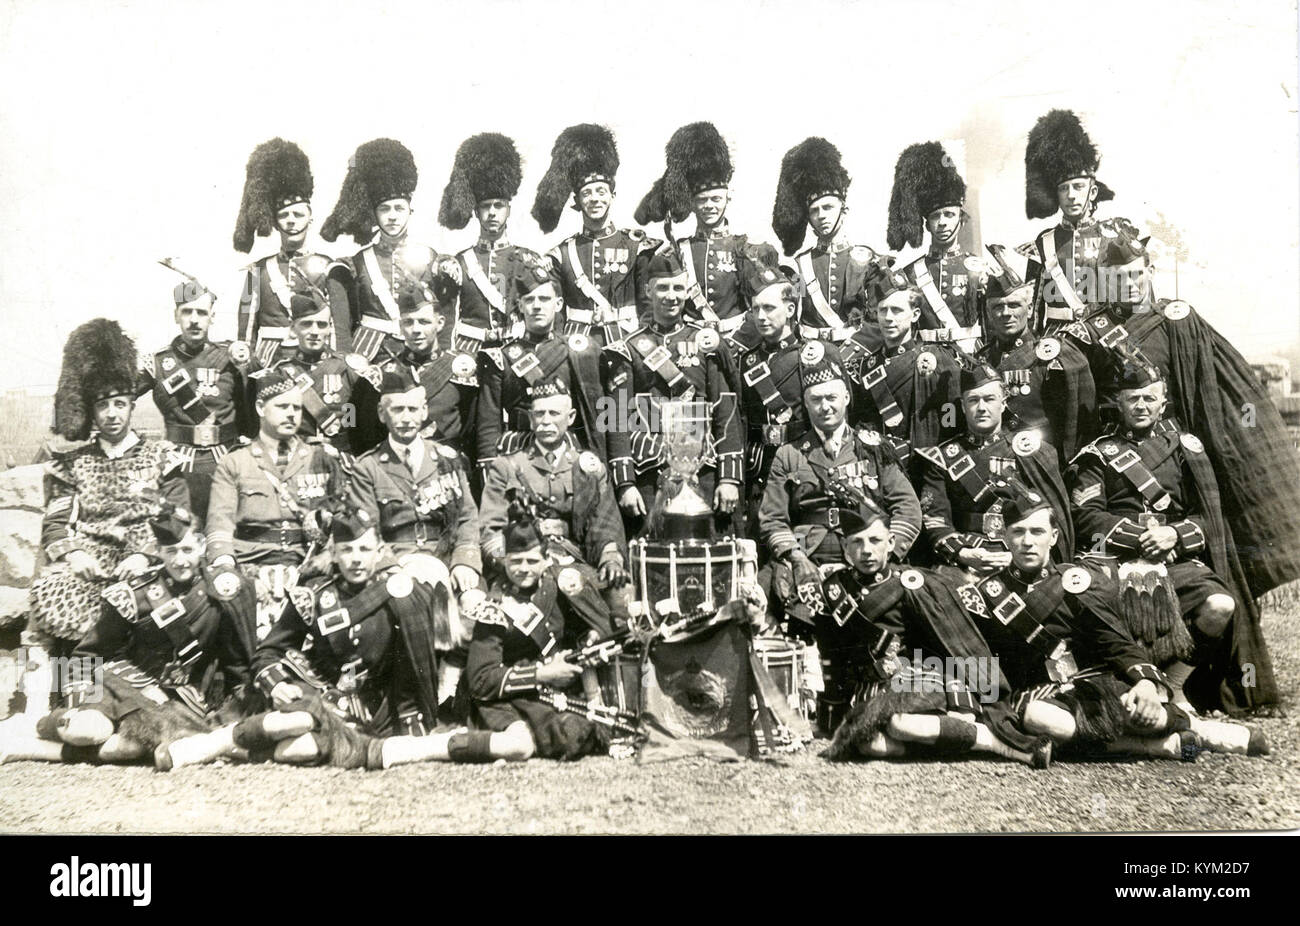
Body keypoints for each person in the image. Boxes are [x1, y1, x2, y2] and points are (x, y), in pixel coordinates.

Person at [1063, 228, 1300, 640]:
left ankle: (1203, 670)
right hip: (1117, 458)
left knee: (1201, 552)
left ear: (1150, 270)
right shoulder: (1088, 332)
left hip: (1178, 453)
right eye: (1117, 278)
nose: (1129, 284)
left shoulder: (1178, 319)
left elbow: (1211, 388)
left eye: (1136, 274)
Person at [961, 493, 1267, 759]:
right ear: (1005, 536)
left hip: (1090, 683)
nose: (1027, 541)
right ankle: (1160, 747)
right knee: (1042, 720)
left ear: (1053, 537)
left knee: (1138, 710)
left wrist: (1146, 682)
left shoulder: (1074, 581)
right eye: (1018, 532)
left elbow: (1113, 640)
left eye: (1037, 531)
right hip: (1037, 695)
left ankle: (1199, 730)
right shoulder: (987, 593)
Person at [159, 507, 445, 770]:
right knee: (303, 717)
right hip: (318, 698)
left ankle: (226, 746)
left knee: (298, 748)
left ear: (380, 551)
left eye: (364, 549)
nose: (356, 558)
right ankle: (211, 745)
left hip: (370, 709)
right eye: (346, 550)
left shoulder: (400, 595)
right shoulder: (314, 597)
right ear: (333, 554)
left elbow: (416, 668)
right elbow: (267, 654)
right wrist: (277, 684)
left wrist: (413, 724)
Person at [0, 505, 258, 766]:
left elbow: (237, 661)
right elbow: (86, 656)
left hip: (173, 700)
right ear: (158, 551)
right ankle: (36, 725)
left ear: (202, 546)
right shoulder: (135, 594)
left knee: (128, 749)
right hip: (116, 687)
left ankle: (30, 749)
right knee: (88, 731)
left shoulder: (221, 592)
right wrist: (142, 688)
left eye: (187, 550)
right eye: (171, 551)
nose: (180, 560)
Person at [1070, 359, 1248, 715]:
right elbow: (1086, 515)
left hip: (1173, 557)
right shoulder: (1097, 454)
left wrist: (1173, 534)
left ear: (1163, 403)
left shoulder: (1185, 450)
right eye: (1133, 398)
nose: (1141, 406)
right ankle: (1127, 687)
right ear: (1117, 403)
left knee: (1220, 605)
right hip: (1117, 559)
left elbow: (1210, 514)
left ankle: (1176, 683)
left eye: (1150, 399)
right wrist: (1141, 539)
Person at [813, 500, 1050, 767]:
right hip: (872, 686)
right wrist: (832, 707)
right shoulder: (836, 588)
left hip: (917, 679)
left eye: (875, 540)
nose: (866, 550)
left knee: (900, 725)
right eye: (856, 542)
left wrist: (974, 693)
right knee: (871, 744)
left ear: (891, 543)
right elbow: (831, 650)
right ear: (845, 549)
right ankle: (950, 740)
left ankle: (995, 743)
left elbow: (956, 642)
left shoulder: (914, 584)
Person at [31, 320, 190, 658]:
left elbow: (178, 520)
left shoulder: (162, 457)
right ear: (92, 411)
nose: (112, 414)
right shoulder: (73, 463)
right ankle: (71, 701)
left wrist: (143, 554)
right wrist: (74, 553)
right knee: (63, 612)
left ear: (132, 406)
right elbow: (57, 520)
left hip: (146, 567)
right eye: (103, 405)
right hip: (88, 567)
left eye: (119, 404)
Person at [757, 346, 921, 639]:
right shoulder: (789, 454)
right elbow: (772, 519)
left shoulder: (872, 448)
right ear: (805, 404)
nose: (825, 407)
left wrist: (884, 554)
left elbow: (908, 510)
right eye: (816, 400)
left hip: (868, 559)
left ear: (846, 397)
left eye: (832, 397)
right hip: (809, 561)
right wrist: (795, 558)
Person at [346, 365, 483, 703]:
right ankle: (410, 698)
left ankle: (449, 689)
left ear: (424, 411)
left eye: (412, 409)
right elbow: (366, 533)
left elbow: (467, 517)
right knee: (406, 603)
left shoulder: (449, 459)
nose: (405, 418)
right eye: (397, 409)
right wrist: (393, 566)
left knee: (479, 606)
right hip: (397, 564)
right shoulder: (368, 467)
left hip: (446, 558)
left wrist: (465, 561)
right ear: (382, 413)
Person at [601, 248, 743, 535]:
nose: (671, 296)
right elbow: (616, 419)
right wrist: (626, 483)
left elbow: (725, 409)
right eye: (662, 288)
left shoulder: (704, 342)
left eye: (678, 288)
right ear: (647, 291)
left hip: (703, 470)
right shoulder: (628, 349)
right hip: (649, 472)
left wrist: (729, 478)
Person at [204, 367, 347, 639]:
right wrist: (226, 564)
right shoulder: (235, 461)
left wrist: (329, 555)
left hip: (307, 564)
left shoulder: (321, 457)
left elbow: (343, 516)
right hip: (249, 563)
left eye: (296, 407)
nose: (292, 414)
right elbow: (219, 522)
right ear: (260, 407)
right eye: (282, 406)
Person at [915, 359, 1073, 573]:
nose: (981, 408)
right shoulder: (942, 457)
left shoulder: (1032, 451)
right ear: (962, 406)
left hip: (1023, 556)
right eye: (973, 401)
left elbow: (1052, 516)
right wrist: (963, 553)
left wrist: (1019, 555)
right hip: (966, 560)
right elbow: (935, 517)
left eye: (989, 399)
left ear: (1004, 401)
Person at [634, 121, 774, 352]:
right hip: (689, 345)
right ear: (693, 203)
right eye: (702, 200)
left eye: (716, 199)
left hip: (736, 346)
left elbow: (761, 304)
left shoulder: (745, 249)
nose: (709, 206)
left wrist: (736, 345)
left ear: (728, 199)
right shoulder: (677, 250)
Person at [320, 137, 461, 360]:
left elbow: (446, 313)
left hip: (419, 351)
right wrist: (345, 358)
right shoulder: (356, 262)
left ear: (410, 211)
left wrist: (443, 356)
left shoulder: (433, 259)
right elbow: (342, 323)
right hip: (369, 352)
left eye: (399, 208)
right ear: (375, 215)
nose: (392, 216)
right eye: (385, 209)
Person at [479, 378, 628, 586]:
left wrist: (610, 559)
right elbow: (491, 530)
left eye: (554, 413)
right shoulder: (506, 466)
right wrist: (513, 564)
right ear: (531, 419)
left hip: (574, 563)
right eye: (539, 414)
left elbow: (605, 524)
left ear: (570, 417)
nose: (546, 421)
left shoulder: (588, 468)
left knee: (618, 601)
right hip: (521, 567)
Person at [138, 269, 258, 524]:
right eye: (187, 312)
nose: (194, 320)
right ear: (176, 316)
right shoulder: (158, 363)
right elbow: (120, 394)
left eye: (201, 313)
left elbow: (264, 392)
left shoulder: (230, 357)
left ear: (212, 317)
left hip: (227, 463)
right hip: (177, 469)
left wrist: (249, 361)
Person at [476, 251, 607, 469]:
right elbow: (489, 426)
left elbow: (596, 413)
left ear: (558, 304)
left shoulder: (577, 351)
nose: (537, 306)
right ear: (520, 305)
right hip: (518, 452)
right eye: (529, 300)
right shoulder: (502, 357)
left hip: (569, 451)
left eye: (545, 299)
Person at [533, 123, 661, 346]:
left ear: (612, 195)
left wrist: (643, 345)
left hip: (627, 341)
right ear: (577, 202)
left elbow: (648, 306)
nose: (594, 199)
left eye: (601, 191)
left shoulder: (636, 246)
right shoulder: (561, 254)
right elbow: (556, 312)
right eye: (587, 193)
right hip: (576, 344)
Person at [233, 138, 351, 364]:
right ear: (275, 222)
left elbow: (339, 326)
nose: (291, 221)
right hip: (270, 360)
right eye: (284, 216)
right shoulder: (255, 272)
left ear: (310, 219)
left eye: (298, 215)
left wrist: (337, 365)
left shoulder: (330, 267)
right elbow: (245, 333)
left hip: (317, 359)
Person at [976, 244, 1097, 463]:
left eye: (1014, 305)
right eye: (997, 307)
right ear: (989, 313)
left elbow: (1077, 420)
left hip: (1043, 460)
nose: (1006, 313)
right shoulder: (981, 360)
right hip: (997, 461)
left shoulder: (1052, 356)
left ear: (1030, 309)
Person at [1023, 109, 1141, 331]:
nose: (1071, 195)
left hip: (1105, 336)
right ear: (1056, 195)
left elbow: (1136, 298)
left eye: (1078, 187)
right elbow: (1033, 312)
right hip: (1057, 340)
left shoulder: (1115, 236)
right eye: (1063, 189)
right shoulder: (1044, 243)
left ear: (1093, 191)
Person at [772, 137, 882, 348]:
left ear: (844, 210)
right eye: (814, 210)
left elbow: (878, 321)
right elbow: (790, 314)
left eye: (828, 207)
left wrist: (850, 356)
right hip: (810, 352)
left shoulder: (868, 262)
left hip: (855, 355)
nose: (821, 215)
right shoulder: (799, 266)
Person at [352, 281, 479, 459]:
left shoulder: (461, 370)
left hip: (446, 469)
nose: (416, 330)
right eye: (408, 322)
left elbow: (473, 429)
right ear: (400, 326)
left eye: (424, 322)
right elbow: (360, 428)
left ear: (440, 323)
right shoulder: (381, 375)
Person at [842, 271, 963, 455]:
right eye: (883, 310)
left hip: (925, 466)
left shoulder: (937, 359)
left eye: (897, 310)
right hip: (882, 463)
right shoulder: (864, 368)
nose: (889, 318)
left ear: (914, 315)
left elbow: (951, 420)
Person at [886, 141, 986, 352]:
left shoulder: (980, 269)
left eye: (949, 214)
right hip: (925, 361)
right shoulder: (910, 274)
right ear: (927, 224)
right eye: (935, 216)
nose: (942, 222)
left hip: (970, 358)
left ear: (962, 219)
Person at [438, 132, 530, 355]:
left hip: (514, 351)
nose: (492, 213)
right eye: (485, 206)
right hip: (469, 352)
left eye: (498, 206)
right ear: (476, 212)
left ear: (508, 210)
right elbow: (448, 319)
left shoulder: (527, 259)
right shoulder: (459, 263)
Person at [271, 288, 370, 454]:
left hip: (342, 459)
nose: (315, 332)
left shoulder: (348, 369)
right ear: (293, 329)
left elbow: (359, 424)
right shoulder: (280, 374)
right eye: (307, 324)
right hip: (297, 461)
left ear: (329, 329)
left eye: (321, 324)